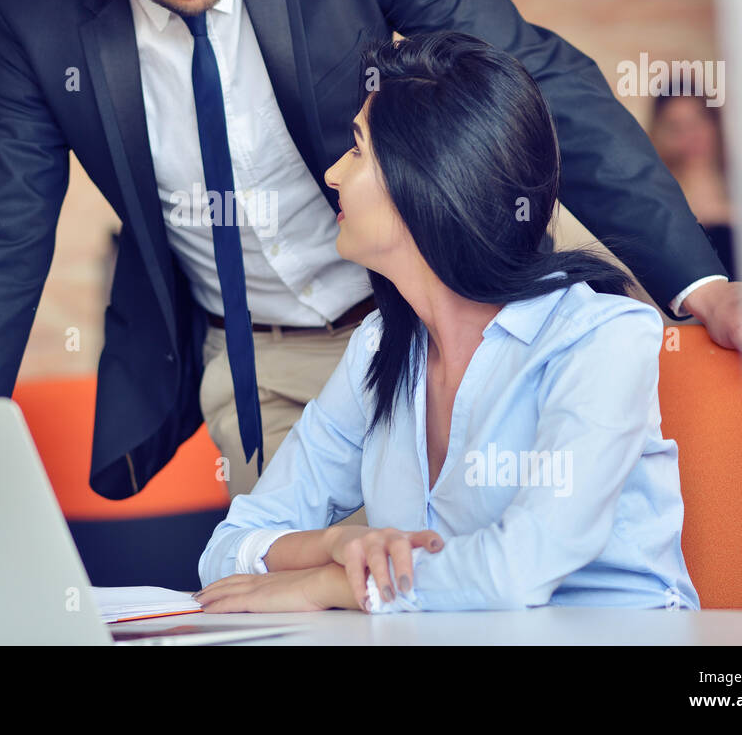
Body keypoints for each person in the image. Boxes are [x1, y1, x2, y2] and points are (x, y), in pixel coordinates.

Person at [0, 0, 742, 504]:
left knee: (471, 591)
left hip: (438, 329)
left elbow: (535, 72)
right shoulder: (32, 8)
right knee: (297, 593)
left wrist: (699, 280)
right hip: (258, 368)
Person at [195, 31, 700, 613]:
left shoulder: (601, 338)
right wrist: (336, 541)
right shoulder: (380, 348)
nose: (332, 173)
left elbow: (519, 570)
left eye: (357, 150)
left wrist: (335, 583)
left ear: (427, 179)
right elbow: (227, 547)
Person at [650, 91, 737, 281]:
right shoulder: (658, 206)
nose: (691, 135)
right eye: (675, 127)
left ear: (715, 122)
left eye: (697, 121)